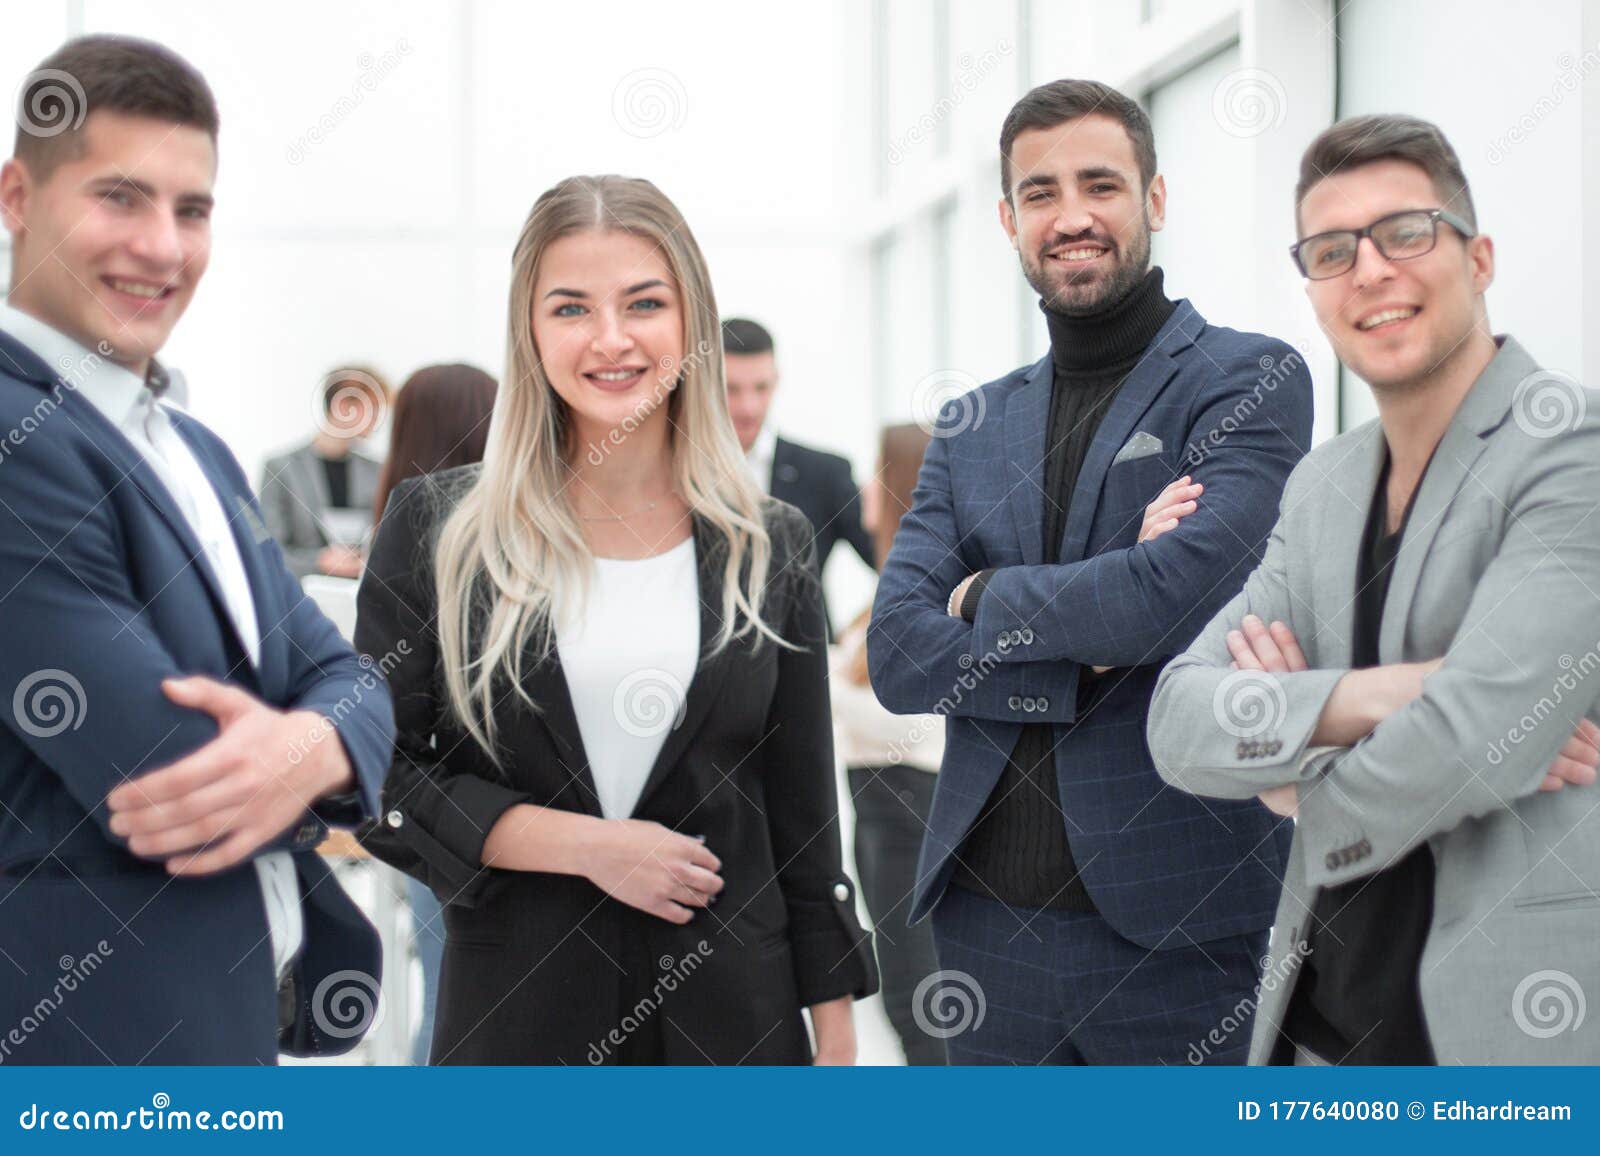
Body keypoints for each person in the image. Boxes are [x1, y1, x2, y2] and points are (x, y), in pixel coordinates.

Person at [355, 175, 877, 1065]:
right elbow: (374, 777)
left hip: (736, 1028)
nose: (611, 339)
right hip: (518, 1023)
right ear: (529, 329)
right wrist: (584, 847)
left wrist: (834, 1032)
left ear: (692, 321)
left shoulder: (769, 542)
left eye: (643, 303)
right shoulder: (440, 530)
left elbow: (801, 812)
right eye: (570, 308)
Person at [868, 79, 1313, 1064]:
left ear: (1154, 199)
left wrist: (980, 597)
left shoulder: (1247, 379)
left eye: (1099, 184)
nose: (1070, 216)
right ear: (1007, 218)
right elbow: (898, 653)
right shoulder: (971, 423)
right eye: (1039, 193)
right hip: (984, 931)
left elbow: (1176, 597)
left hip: (1181, 924)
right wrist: (1095, 636)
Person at [1149, 114, 1600, 1065]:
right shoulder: (1323, 486)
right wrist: (1384, 694)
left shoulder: (1569, 449)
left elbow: (1473, 739)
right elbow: (1179, 721)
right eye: (1331, 250)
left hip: (1503, 1034)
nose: (1371, 270)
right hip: (1320, 1031)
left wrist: (1290, 780)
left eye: (1406, 232)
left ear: (1478, 258)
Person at [0, 35, 393, 1064]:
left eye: (193, 209)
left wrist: (311, 744)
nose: (163, 247)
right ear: (16, 198)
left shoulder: (199, 450)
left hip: (229, 1023)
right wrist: (322, 740)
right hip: (92, 1039)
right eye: (119, 198)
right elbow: (172, 774)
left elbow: (352, 677)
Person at [365, 361, 498, 1065]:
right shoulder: (455, 533)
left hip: (436, 812)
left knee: (444, 997)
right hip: (470, 809)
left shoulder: (403, 528)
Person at [831, 422, 946, 1064]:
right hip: (883, 810)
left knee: (918, 999)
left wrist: (806, 683)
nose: (861, 490)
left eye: (873, 472)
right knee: (907, 996)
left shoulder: (930, 592)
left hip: (909, 806)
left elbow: (915, 723)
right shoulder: (888, 589)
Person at [723, 317, 874, 633]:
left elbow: (897, 566)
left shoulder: (825, 473)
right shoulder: (673, 472)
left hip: (807, 661)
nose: (748, 407)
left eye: (761, 388)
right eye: (731, 389)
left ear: (776, 382)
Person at [259, 365, 388, 578]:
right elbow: (269, 549)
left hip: (361, 595)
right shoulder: (280, 468)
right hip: (302, 596)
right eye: (374, 410)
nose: (378, 421)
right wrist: (319, 561)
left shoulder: (377, 471)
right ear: (345, 405)